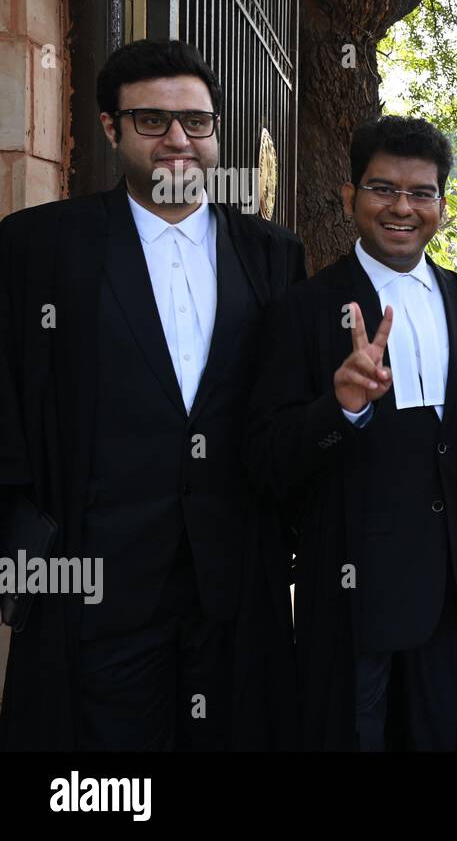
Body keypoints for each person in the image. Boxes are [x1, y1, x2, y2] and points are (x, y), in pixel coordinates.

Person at [0, 39, 305, 750]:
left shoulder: (273, 253)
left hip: (233, 582)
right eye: (151, 121)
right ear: (111, 129)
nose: (178, 139)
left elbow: (282, 411)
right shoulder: (37, 248)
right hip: (95, 583)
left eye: (196, 122)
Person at [243, 116, 457, 750]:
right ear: (349, 197)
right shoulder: (301, 312)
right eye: (382, 189)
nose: (402, 207)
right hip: (352, 594)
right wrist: (339, 409)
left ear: (442, 206)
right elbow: (265, 458)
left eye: (421, 193)